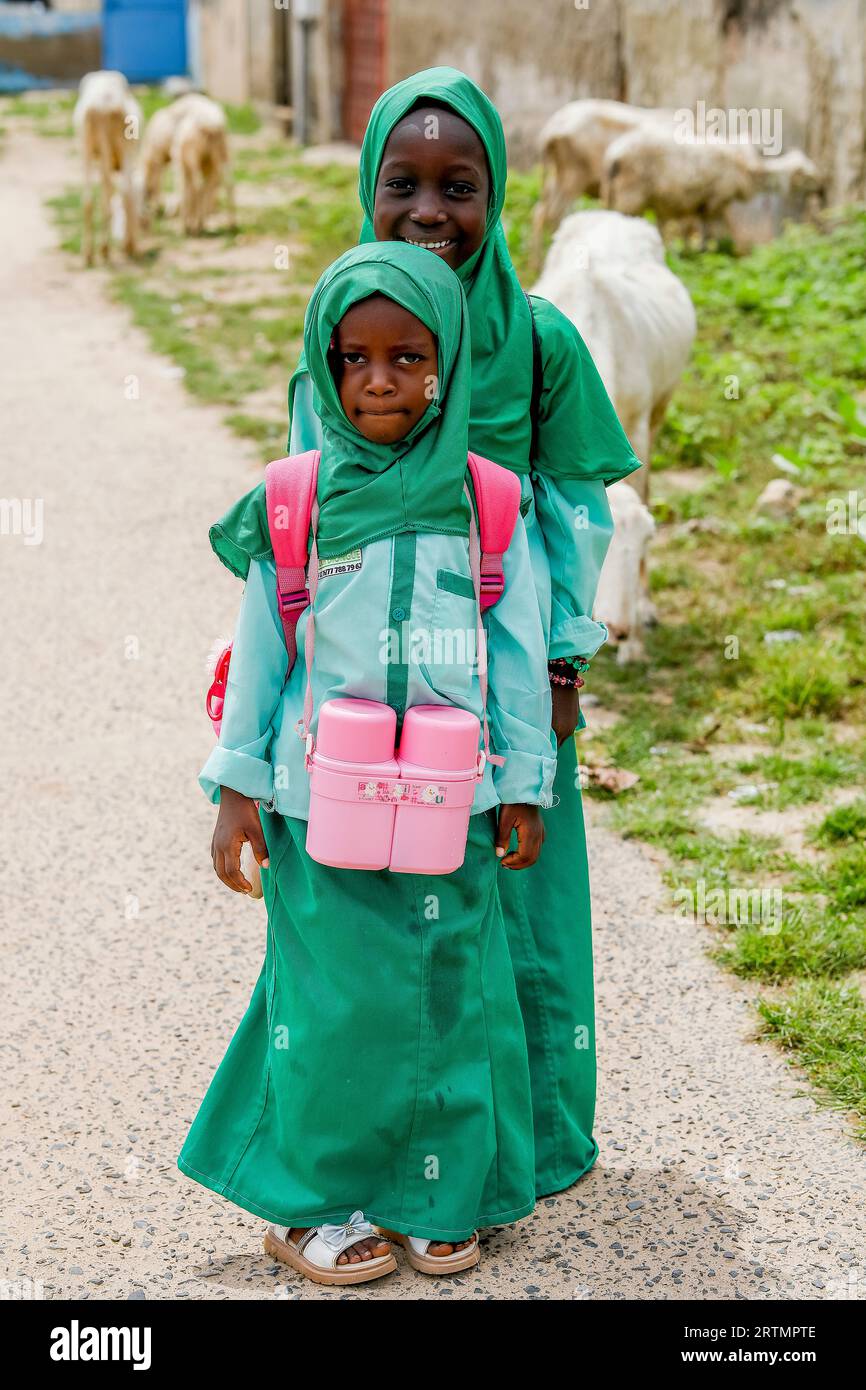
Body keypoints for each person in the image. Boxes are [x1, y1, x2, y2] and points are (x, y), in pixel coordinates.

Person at [286, 69, 642, 1198]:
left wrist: (561, 659)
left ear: (499, 196)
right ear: (365, 186)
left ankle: (534, 1137)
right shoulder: (349, 323)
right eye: (402, 182)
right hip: (374, 695)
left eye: (460, 184)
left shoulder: (536, 341)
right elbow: (308, 506)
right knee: (387, 916)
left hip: (510, 678)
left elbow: (581, 512)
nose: (429, 209)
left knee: (521, 901)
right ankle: (411, 1152)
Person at [177, 240, 558, 1286]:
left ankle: (437, 1197)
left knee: (449, 989)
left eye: (408, 356)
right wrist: (236, 790)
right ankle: (311, 1205)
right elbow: (259, 654)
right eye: (352, 357)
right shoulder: (294, 499)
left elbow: (518, 651)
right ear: (324, 364)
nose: (379, 379)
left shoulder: (486, 500)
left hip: (451, 807)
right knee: (333, 1004)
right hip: (315, 809)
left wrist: (523, 782)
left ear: (451, 363)